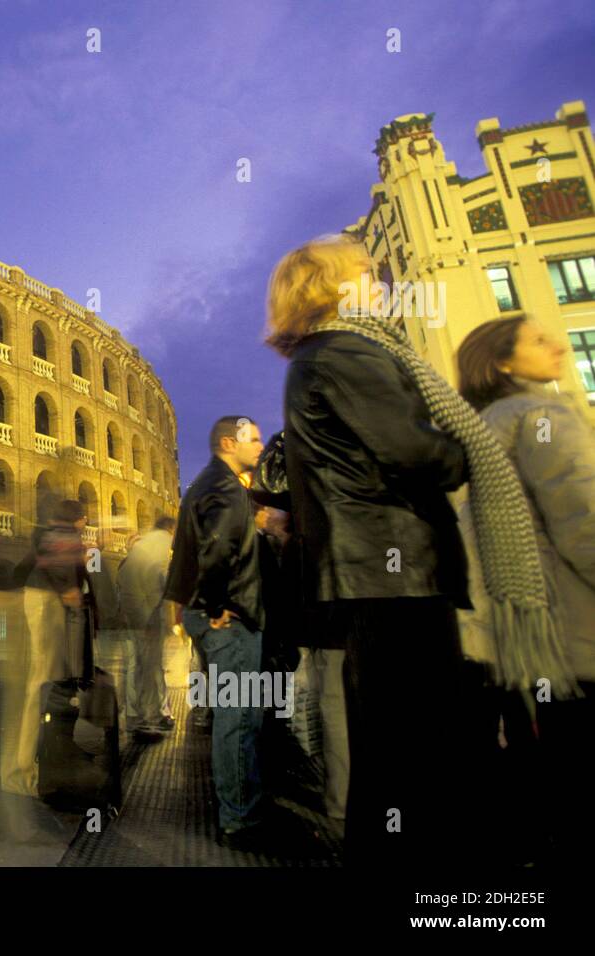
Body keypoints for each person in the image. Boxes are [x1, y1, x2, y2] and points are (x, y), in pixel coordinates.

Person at [265, 233, 562, 865]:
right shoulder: (347, 350)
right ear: (327, 286)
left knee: (399, 757)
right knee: (415, 758)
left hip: (380, 578)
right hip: (395, 577)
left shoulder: (331, 354)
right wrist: (479, 453)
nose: (380, 281)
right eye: (365, 272)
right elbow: (410, 449)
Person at [456, 315, 595, 863]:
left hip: (529, 643)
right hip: (577, 633)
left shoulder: (484, 427)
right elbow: (584, 520)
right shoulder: (541, 415)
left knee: (556, 786)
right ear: (502, 362)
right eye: (539, 339)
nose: (559, 344)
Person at [164, 415, 266, 848]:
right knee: (239, 718)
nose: (260, 446)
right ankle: (239, 818)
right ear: (229, 442)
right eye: (254, 439)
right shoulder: (225, 486)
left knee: (235, 715)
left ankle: (238, 808)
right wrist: (218, 603)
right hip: (229, 617)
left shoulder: (212, 483)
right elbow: (218, 546)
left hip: (215, 613)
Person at [2, 499, 97, 799]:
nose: (85, 523)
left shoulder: (51, 533)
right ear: (78, 519)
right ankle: (22, 772)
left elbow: (27, 566)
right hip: (46, 601)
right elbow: (57, 569)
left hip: (40, 599)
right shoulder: (63, 534)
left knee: (43, 680)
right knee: (40, 683)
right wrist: (67, 589)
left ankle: (34, 762)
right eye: (84, 518)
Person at [117, 515, 178, 739]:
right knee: (149, 667)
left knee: (143, 667)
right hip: (146, 615)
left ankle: (143, 717)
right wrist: (152, 618)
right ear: (171, 528)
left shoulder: (145, 544)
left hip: (136, 613)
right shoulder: (162, 541)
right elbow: (155, 578)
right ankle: (149, 720)